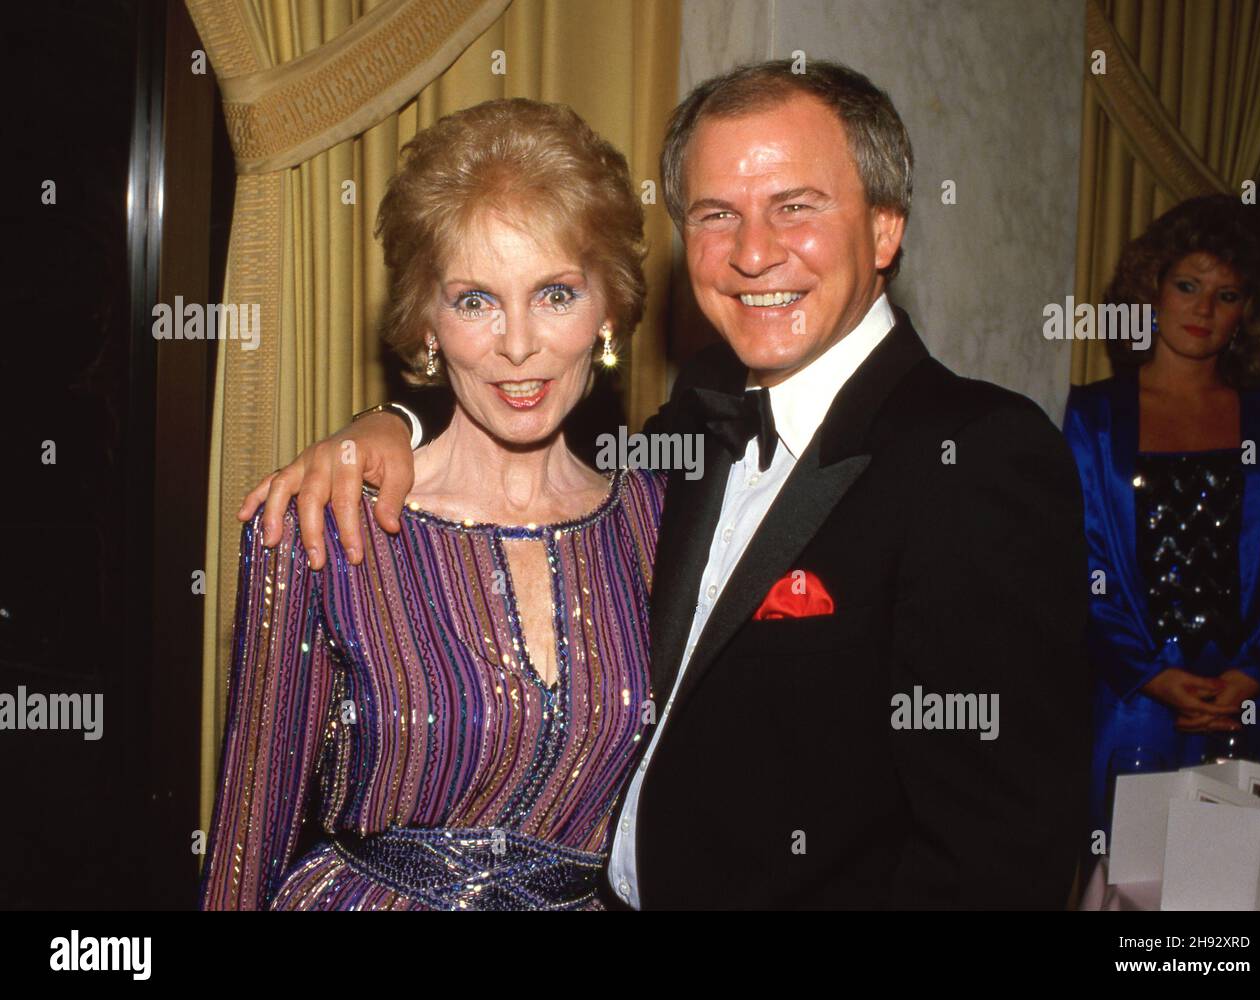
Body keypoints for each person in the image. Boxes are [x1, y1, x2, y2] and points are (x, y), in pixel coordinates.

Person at [244, 60, 1091, 908]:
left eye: (796, 207)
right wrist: (390, 424)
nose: (755, 253)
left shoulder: (977, 456)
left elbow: (1001, 857)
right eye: (719, 215)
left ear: (884, 228)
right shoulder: (682, 443)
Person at [200, 98, 665, 910]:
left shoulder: (662, 524)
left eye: (556, 293)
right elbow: (248, 834)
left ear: (610, 310)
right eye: (475, 300)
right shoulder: (324, 519)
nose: (517, 344)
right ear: (425, 326)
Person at [1064, 195, 1260, 837]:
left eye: (1228, 295)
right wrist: (1151, 675)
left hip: (1258, 704)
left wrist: (1254, 673)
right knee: (1132, 893)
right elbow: (1083, 566)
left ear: (1250, 310)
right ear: (1152, 289)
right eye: (1189, 285)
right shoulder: (1094, 416)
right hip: (1134, 703)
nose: (1203, 308)